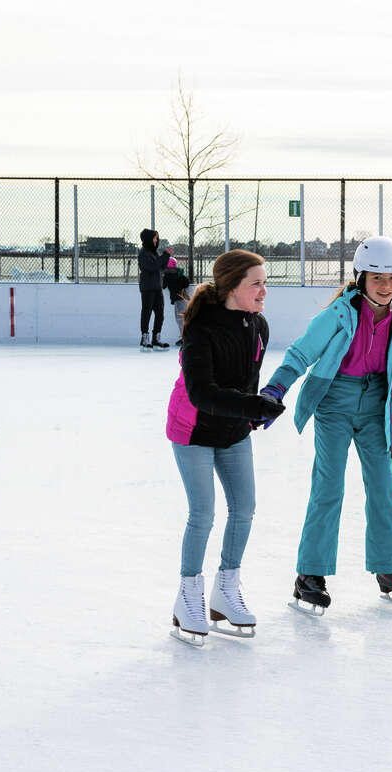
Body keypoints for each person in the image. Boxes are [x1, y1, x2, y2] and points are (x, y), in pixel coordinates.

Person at [260, 235, 392, 614]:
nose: (385, 285)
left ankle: (389, 568)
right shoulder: (338, 314)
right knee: (329, 485)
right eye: (377, 278)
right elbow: (301, 353)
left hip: (378, 404)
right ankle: (310, 574)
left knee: (384, 487)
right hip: (335, 402)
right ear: (360, 278)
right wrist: (276, 388)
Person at [166, 250, 286, 646]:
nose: (264, 291)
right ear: (233, 287)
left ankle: (225, 590)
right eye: (256, 284)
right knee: (203, 514)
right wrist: (252, 406)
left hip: (233, 431)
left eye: (265, 283)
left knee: (244, 509)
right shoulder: (201, 329)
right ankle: (188, 596)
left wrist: (254, 412)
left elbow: (247, 380)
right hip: (193, 430)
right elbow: (201, 393)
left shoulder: (258, 326)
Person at [138, 229, 171, 350]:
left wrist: (166, 257)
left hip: (157, 287)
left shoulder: (154, 253)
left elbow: (160, 267)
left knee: (160, 314)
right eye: (154, 238)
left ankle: (156, 338)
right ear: (148, 239)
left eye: (157, 238)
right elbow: (152, 266)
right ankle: (144, 338)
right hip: (148, 287)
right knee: (147, 312)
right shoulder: (143, 253)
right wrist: (164, 256)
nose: (156, 240)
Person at [163, 256, 192, 344]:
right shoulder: (179, 273)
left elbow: (163, 286)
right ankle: (184, 337)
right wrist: (181, 274)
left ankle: (185, 338)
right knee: (182, 318)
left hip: (178, 299)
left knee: (180, 319)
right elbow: (186, 283)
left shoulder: (167, 276)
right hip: (183, 298)